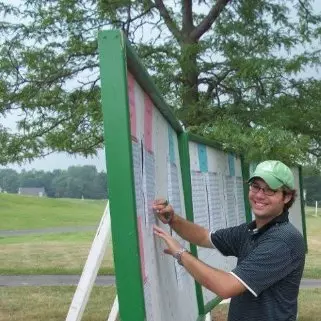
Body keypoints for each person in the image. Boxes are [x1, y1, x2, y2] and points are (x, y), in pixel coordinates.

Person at [153, 160, 305, 321]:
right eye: (255, 186)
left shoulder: (284, 240)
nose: (259, 195)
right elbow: (205, 236)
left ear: (287, 196)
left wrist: (181, 253)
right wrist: (173, 219)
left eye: (270, 190)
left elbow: (225, 286)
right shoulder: (251, 230)